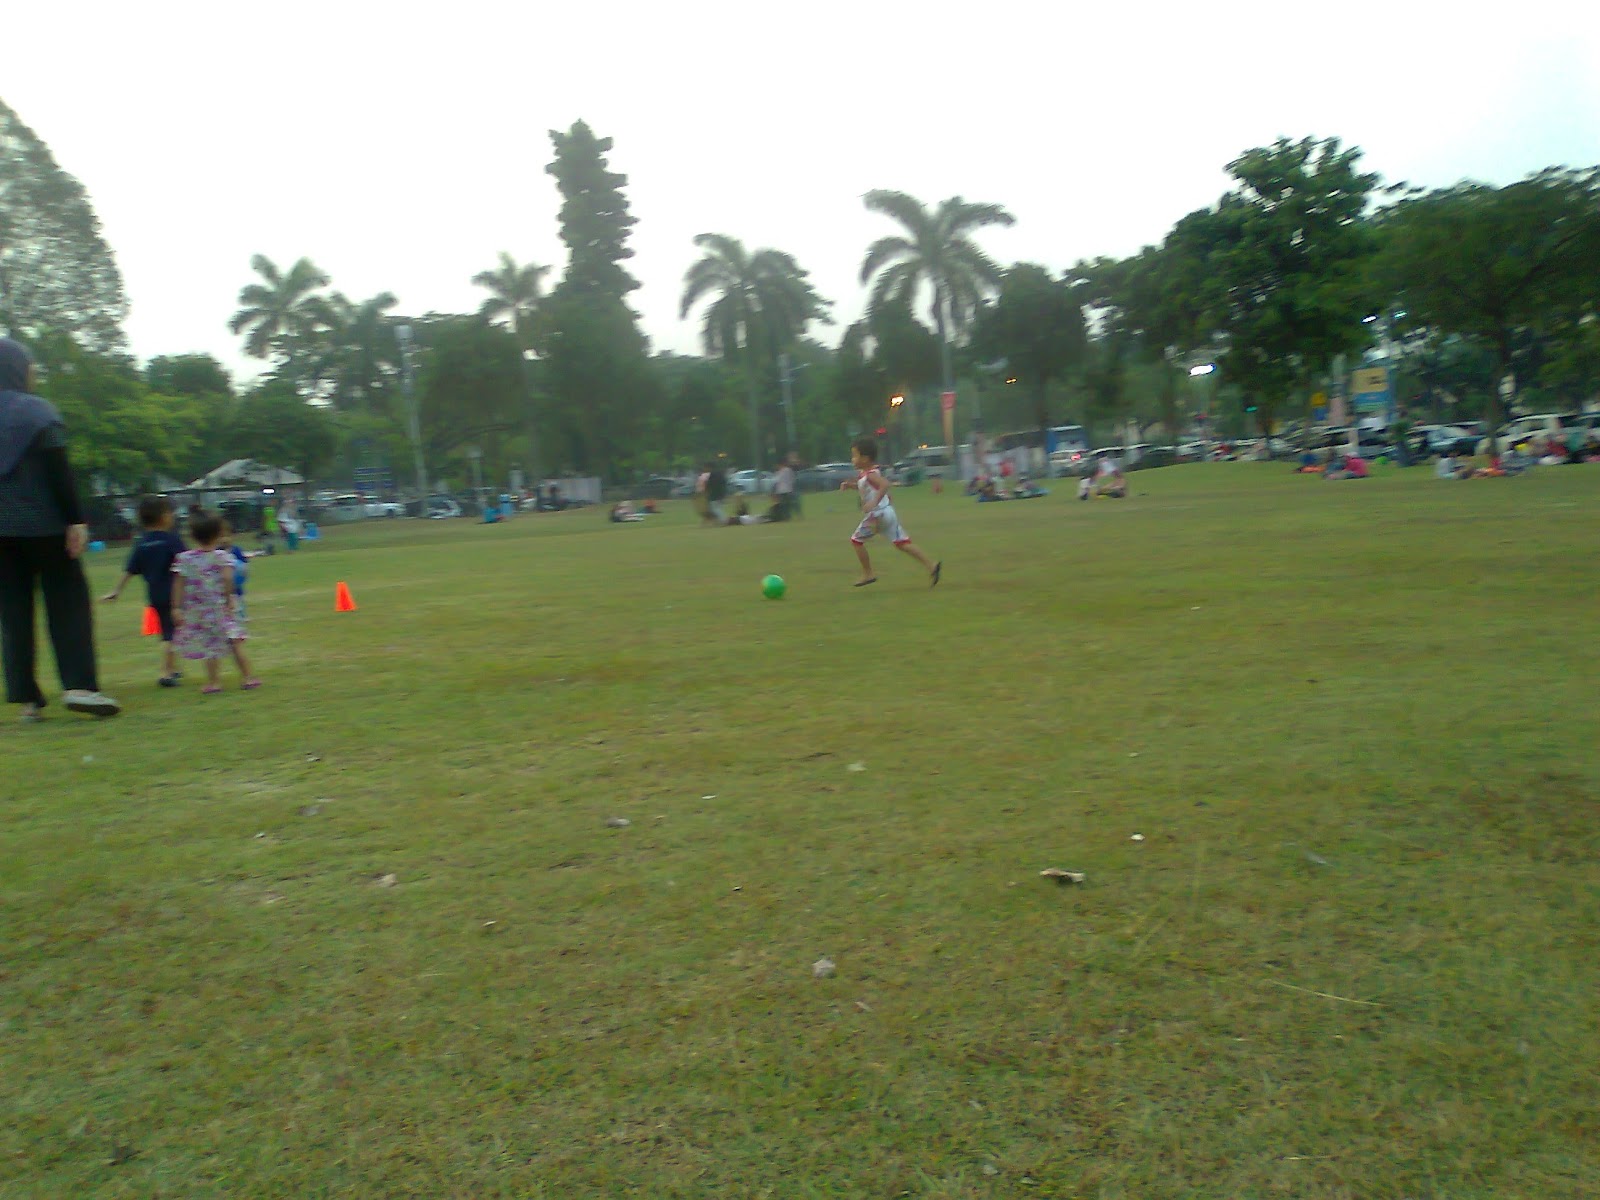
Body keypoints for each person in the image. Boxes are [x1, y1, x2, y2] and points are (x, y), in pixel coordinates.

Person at [0, 336, 120, 721]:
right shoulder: (39, 412)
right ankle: (79, 685)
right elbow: (59, 471)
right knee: (67, 603)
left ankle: (28, 699)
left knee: (14, 612)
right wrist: (75, 519)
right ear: (20, 369)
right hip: (46, 526)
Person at [101, 494, 186, 686]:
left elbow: (130, 570)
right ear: (164, 517)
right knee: (172, 634)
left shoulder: (141, 543)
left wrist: (116, 591)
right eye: (170, 513)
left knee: (167, 631)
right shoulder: (172, 540)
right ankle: (165, 673)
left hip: (154, 596)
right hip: (175, 595)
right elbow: (187, 563)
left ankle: (173, 668)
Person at [173, 510, 259, 694]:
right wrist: (229, 600)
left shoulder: (185, 558)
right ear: (219, 533)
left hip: (200, 610)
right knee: (235, 642)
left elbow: (178, 583)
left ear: (192, 535)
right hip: (222, 608)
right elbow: (228, 579)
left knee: (208, 646)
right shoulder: (222, 556)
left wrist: (176, 608)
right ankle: (248, 677)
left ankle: (214, 682)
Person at [841, 437, 941, 588]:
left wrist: (874, 502)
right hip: (888, 513)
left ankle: (868, 573)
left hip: (877, 515)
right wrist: (850, 486)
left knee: (856, 541)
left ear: (865, 458)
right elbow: (869, 487)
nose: (852, 459)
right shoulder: (867, 474)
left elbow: (885, 484)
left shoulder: (870, 474)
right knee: (902, 543)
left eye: (855, 455)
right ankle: (932, 566)